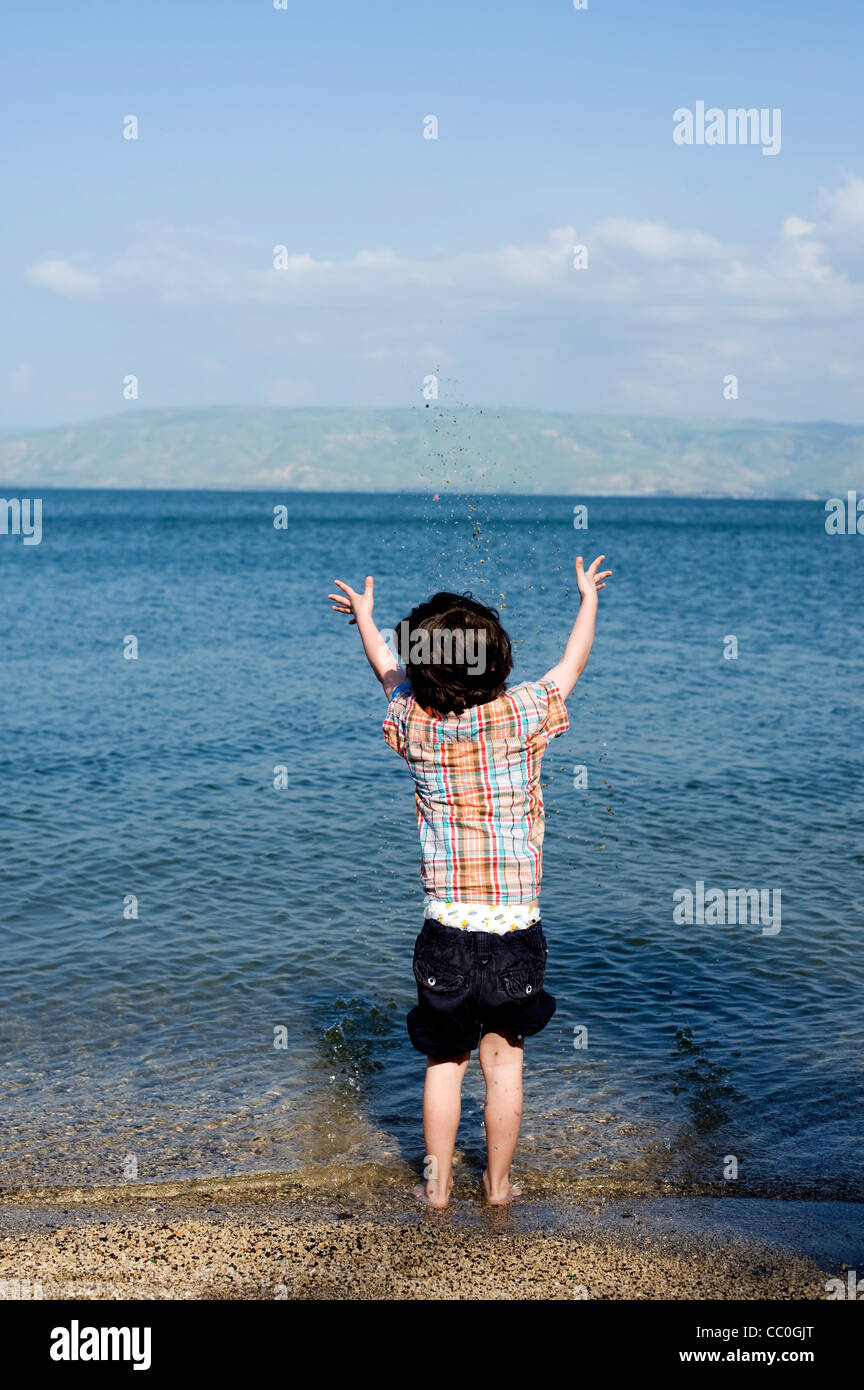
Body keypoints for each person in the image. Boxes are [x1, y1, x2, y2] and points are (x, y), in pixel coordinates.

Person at [328, 554, 611, 1207]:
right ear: (499, 663)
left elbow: (388, 673)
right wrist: (588, 600)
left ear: (427, 672)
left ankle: (437, 1189)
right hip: (514, 930)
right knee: (504, 1060)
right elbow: (572, 666)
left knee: (444, 1065)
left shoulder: (415, 724)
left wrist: (366, 621)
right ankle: (500, 1185)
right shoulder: (522, 717)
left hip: (447, 932)